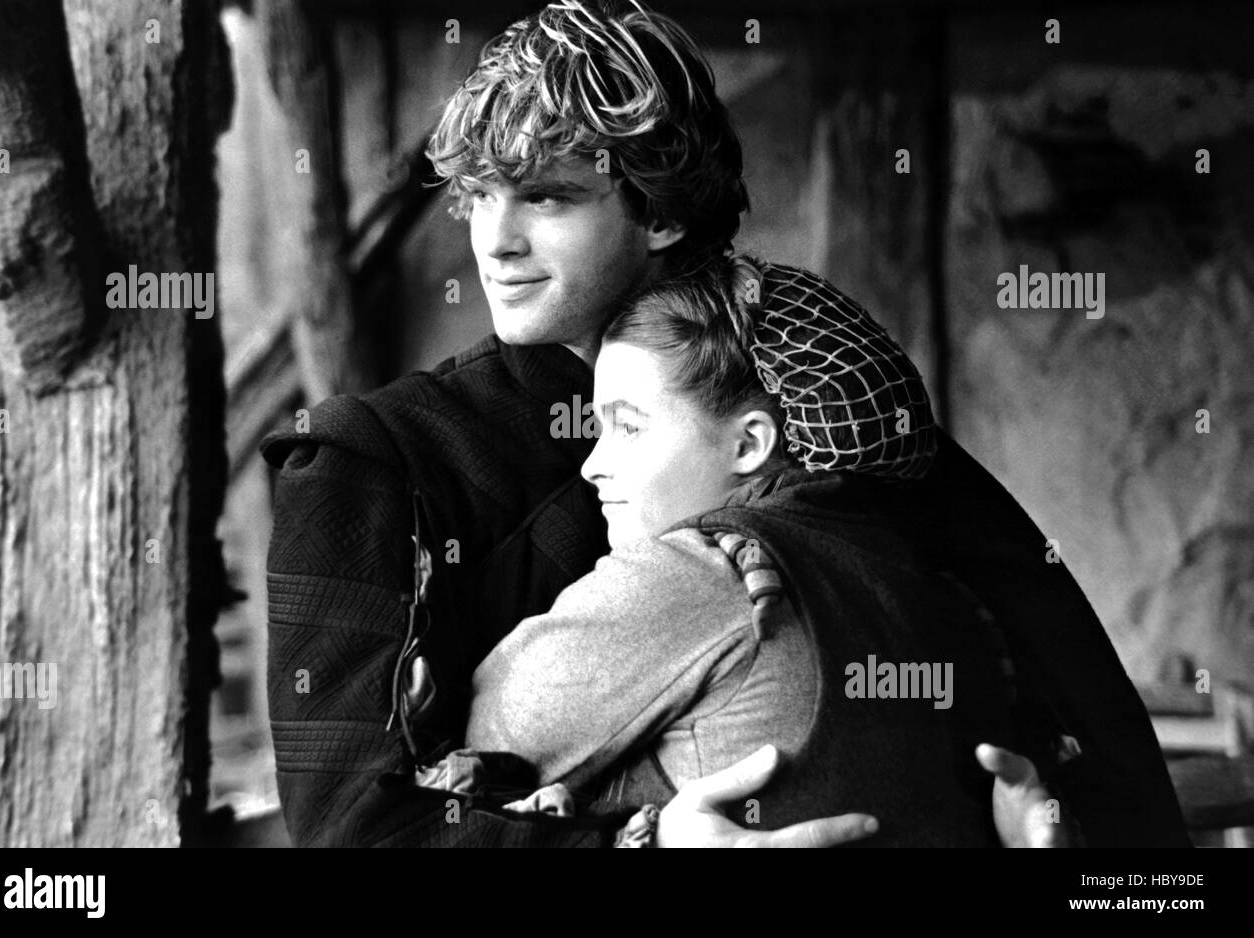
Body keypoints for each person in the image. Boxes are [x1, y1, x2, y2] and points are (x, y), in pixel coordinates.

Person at [261, 0, 1184, 847]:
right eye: (476, 196)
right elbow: (352, 836)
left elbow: (1100, 788)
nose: (494, 241)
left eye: (545, 195)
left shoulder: (840, 436)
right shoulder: (371, 468)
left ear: (659, 212)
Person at [456, 255, 1020, 846]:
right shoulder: (921, 579)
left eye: (629, 427)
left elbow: (484, 750)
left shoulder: (701, 569)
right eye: (597, 429)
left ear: (748, 443)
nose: (594, 467)